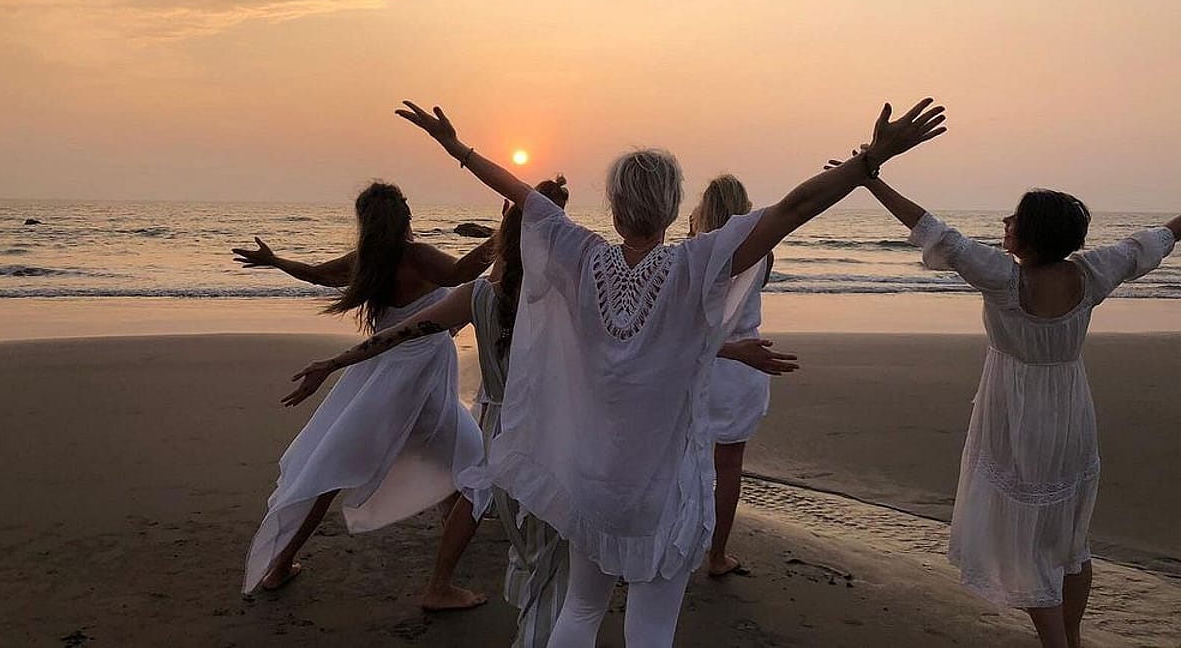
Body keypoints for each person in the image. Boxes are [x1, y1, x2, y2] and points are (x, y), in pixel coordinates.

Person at [396, 97, 945, 646]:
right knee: (651, 625)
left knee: (581, 609)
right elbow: (792, 209)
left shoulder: (581, 256)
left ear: (613, 209)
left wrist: (456, 147)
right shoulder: (695, 265)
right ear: (673, 207)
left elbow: (520, 195)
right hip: (663, 489)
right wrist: (870, 159)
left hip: (592, 478)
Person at [289, 177, 797, 647]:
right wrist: (727, 349)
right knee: (561, 586)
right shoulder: (562, 297)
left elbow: (406, 332)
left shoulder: (479, 295)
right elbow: (645, 347)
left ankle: (460, 592)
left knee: (546, 572)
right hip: (549, 445)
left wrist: (335, 361)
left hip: (498, 439)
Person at [837, 163, 1180, 648]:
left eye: (1014, 219)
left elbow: (933, 231)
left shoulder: (1003, 279)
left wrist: (870, 181)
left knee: (1029, 544)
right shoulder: (1094, 271)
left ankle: (1057, 644)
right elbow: (1153, 241)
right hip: (1071, 413)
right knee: (1069, 540)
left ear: (1033, 235)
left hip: (1018, 416)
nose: (1005, 223)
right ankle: (1072, 637)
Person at [241, 181, 496, 612]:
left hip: (375, 378)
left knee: (332, 469)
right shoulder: (416, 257)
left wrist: (274, 261)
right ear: (405, 216)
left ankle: (280, 564)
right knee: (476, 471)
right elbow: (461, 275)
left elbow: (316, 274)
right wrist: (508, 229)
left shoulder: (367, 262)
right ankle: (440, 586)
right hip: (418, 384)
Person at [690, 175, 775, 578]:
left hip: (702, 358)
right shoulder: (763, 252)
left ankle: (679, 541)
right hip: (745, 359)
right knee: (729, 465)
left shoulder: (697, 251)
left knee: (685, 460)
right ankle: (717, 553)